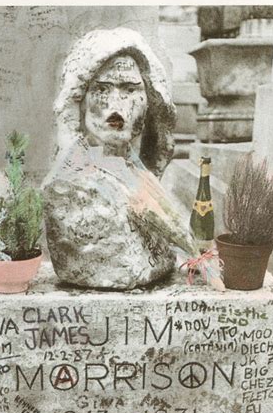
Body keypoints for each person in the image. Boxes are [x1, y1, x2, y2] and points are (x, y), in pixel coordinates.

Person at [42, 27, 197, 290]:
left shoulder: (135, 171)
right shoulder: (67, 185)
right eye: (102, 88)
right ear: (79, 98)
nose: (116, 105)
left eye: (129, 89)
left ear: (150, 100)